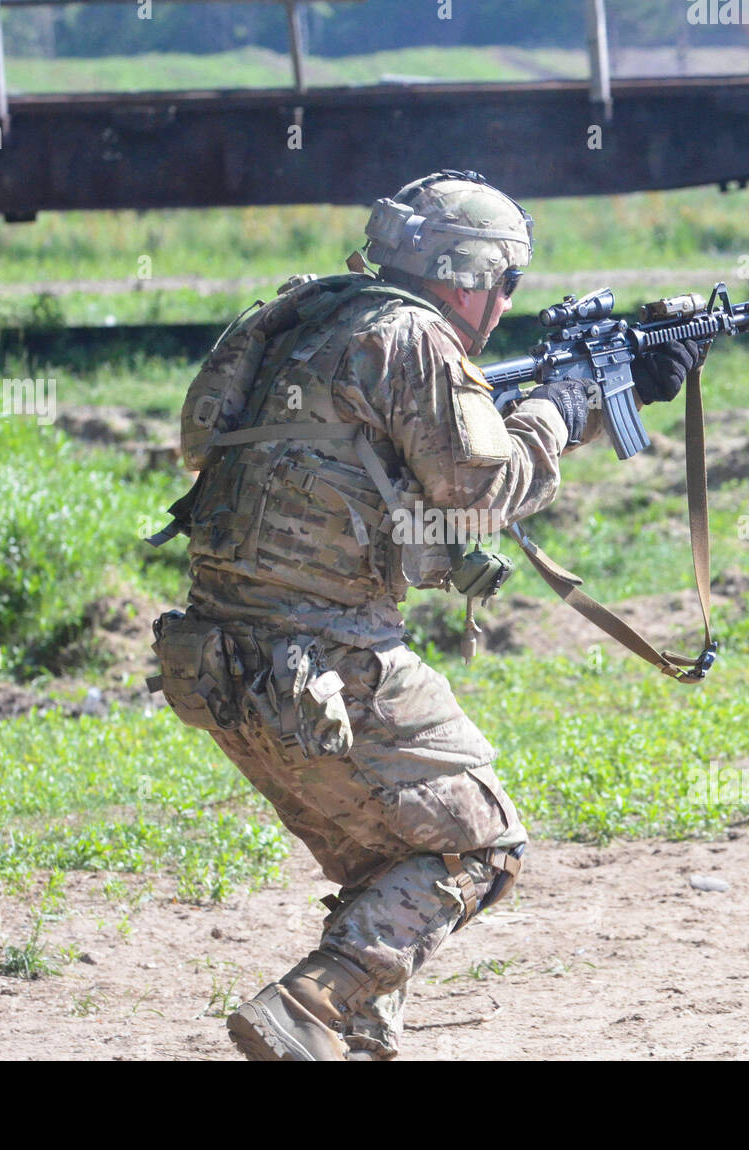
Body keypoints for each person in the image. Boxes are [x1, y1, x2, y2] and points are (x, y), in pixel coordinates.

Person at [154, 169, 702, 1060]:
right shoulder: (412, 335)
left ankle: (354, 1035)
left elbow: (242, 445)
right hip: (324, 658)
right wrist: (559, 412)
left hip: (219, 662)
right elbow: (481, 493)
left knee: (393, 865)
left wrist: (603, 396)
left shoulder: (303, 320)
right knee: (480, 846)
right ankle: (315, 1003)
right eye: (505, 283)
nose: (504, 304)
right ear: (468, 276)